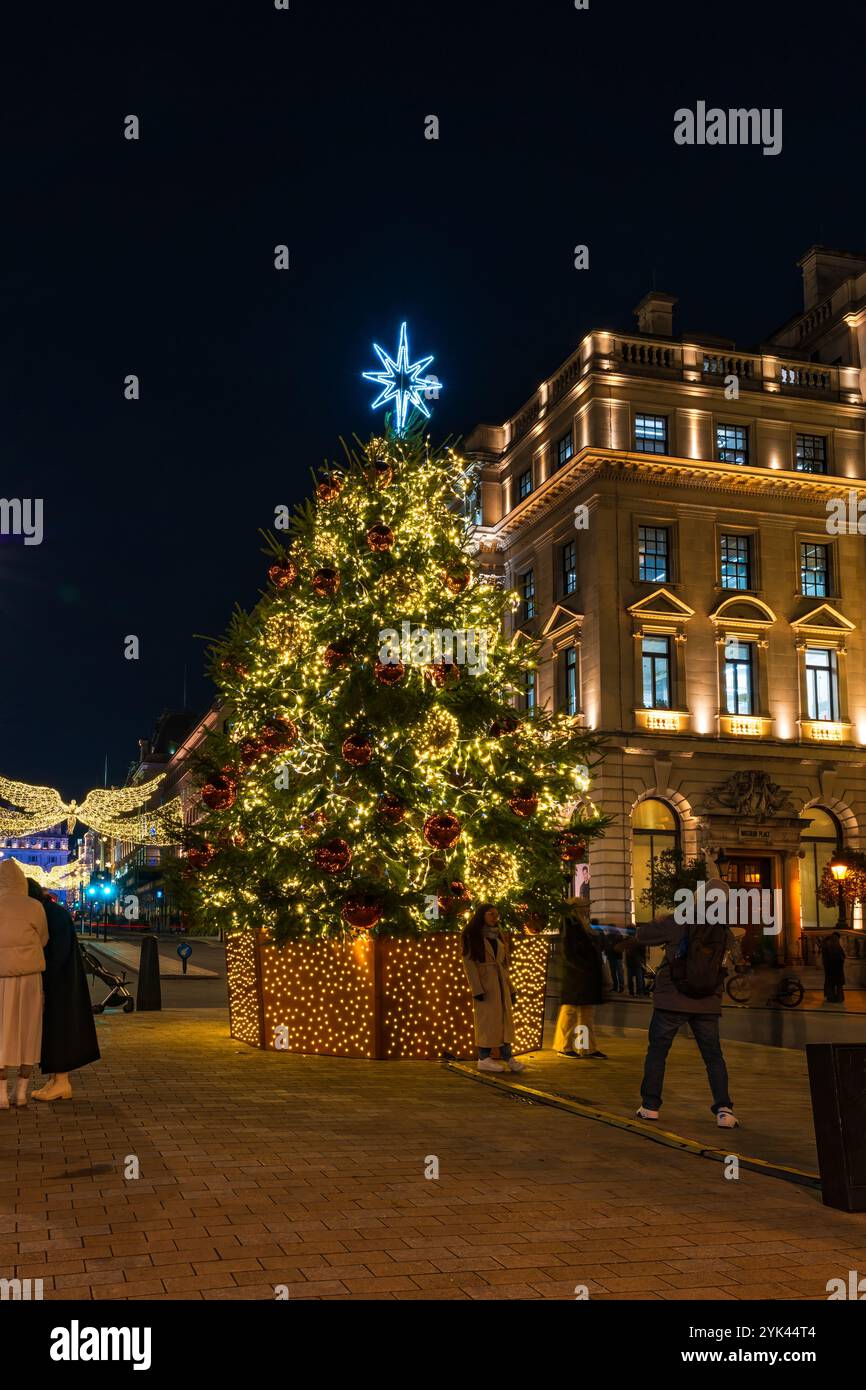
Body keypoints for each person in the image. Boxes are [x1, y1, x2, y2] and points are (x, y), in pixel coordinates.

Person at [635, 876, 739, 1129]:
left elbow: (642, 935)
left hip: (671, 1000)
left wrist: (659, 920)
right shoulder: (724, 932)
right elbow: (729, 962)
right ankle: (724, 1110)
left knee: (658, 1053)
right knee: (713, 1056)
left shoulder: (678, 921)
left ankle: (650, 1107)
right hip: (707, 1003)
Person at [26, 879, 100, 1100]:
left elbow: (53, 951)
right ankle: (55, 1081)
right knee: (57, 1030)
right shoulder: (52, 911)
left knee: (58, 1030)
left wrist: (41, 972)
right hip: (64, 978)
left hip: (59, 981)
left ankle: (61, 1081)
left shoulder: (48, 913)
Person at [0, 858, 49, 1109]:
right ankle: (20, 1092)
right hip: (30, 976)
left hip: (1, 977)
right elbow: (43, 938)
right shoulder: (34, 906)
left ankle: (0, 1094)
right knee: (29, 1030)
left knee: (2, 1031)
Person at [462, 904, 525, 1074]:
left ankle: (508, 1056)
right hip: (486, 985)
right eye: (491, 914)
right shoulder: (472, 936)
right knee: (487, 1024)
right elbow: (469, 965)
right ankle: (484, 1058)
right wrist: (477, 989)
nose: (495, 917)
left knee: (504, 1022)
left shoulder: (498, 937)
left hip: (500, 985)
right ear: (482, 915)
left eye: (497, 914)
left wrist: (511, 989)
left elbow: (504, 966)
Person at [552, 902, 606, 1058]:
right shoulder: (570, 923)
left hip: (585, 974)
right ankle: (564, 1045)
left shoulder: (582, 923)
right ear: (576, 908)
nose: (587, 909)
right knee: (570, 1010)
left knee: (586, 1012)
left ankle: (585, 1047)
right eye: (584, 906)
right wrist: (582, 967)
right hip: (575, 974)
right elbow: (570, 950)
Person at [821, 930, 846, 1005]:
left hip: (829, 969)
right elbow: (843, 957)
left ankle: (831, 997)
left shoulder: (827, 946)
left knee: (830, 984)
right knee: (839, 985)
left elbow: (824, 957)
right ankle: (839, 998)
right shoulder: (838, 947)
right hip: (838, 969)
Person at [623, 932, 647, 997]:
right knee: (639, 978)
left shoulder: (627, 940)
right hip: (637, 961)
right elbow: (643, 952)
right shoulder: (639, 940)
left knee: (631, 978)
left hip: (631, 962)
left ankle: (632, 992)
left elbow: (626, 952)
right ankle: (639, 992)